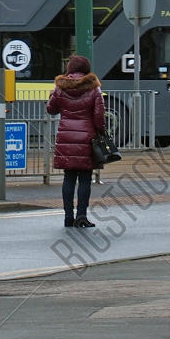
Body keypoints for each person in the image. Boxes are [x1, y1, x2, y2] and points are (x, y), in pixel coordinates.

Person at [47, 54, 105, 228]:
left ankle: (67, 217)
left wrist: (52, 96)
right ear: (86, 69)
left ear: (70, 69)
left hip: (66, 137)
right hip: (86, 138)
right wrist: (101, 133)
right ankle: (81, 216)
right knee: (85, 179)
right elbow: (99, 116)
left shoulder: (60, 87)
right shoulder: (94, 88)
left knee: (69, 178)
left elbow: (51, 109)